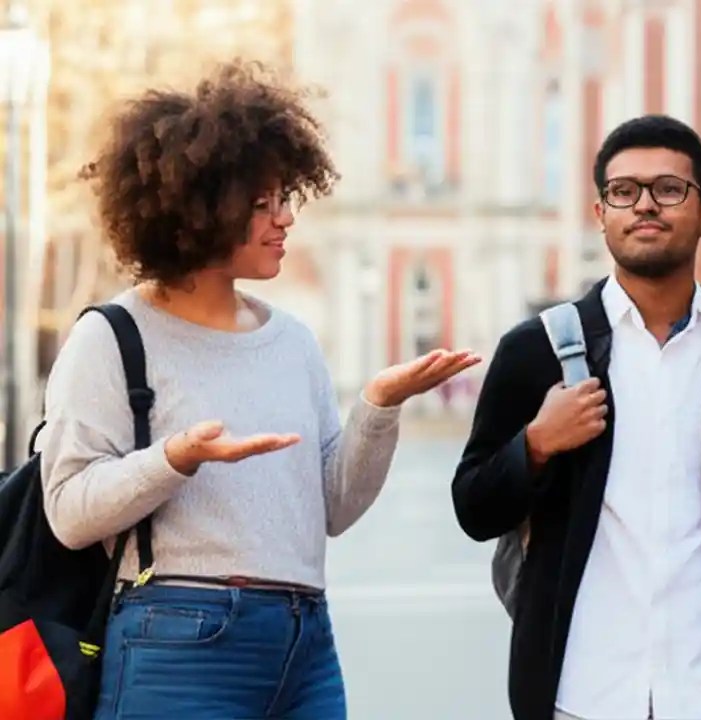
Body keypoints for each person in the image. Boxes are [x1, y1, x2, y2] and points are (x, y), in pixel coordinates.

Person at [40, 60, 480, 719]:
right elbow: (70, 513)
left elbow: (332, 507)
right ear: (198, 210)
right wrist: (175, 459)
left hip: (305, 645)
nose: (285, 220)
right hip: (177, 643)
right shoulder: (113, 338)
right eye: (261, 204)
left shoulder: (293, 340)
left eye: (286, 197)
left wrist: (379, 407)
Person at [451, 114, 701, 720]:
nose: (645, 206)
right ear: (601, 212)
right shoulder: (538, 352)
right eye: (624, 191)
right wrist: (535, 445)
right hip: (578, 693)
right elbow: (474, 507)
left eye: (668, 189)